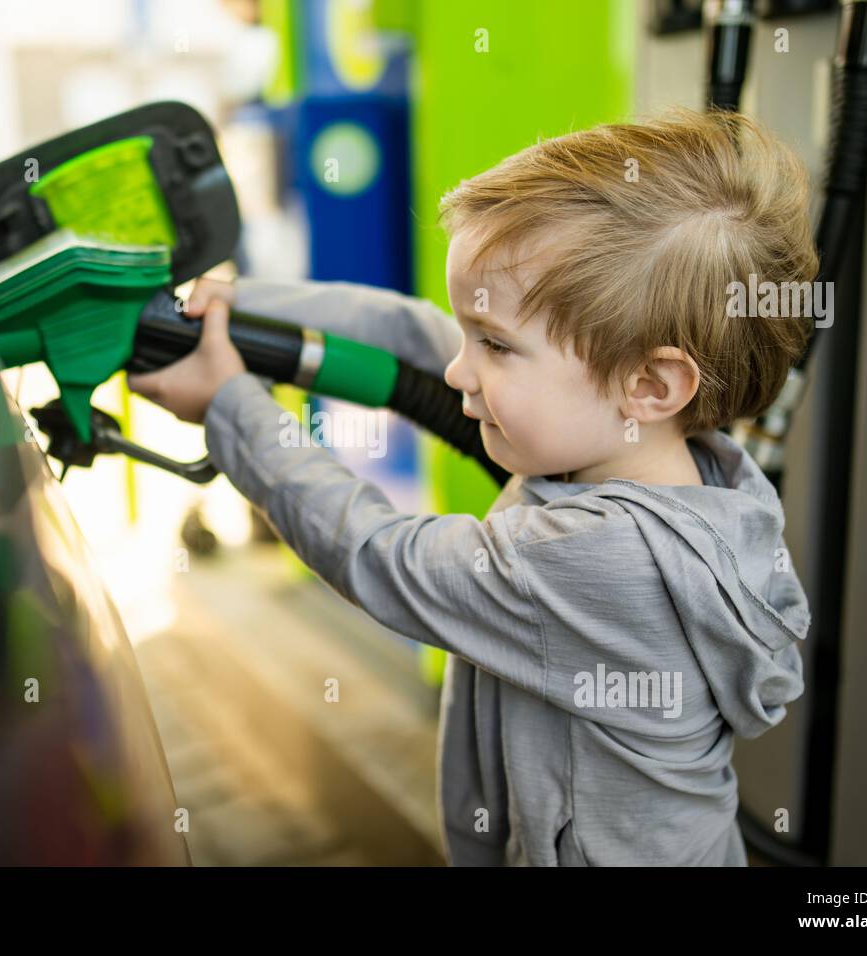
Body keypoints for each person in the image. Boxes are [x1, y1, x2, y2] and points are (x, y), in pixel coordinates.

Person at [126, 108, 815, 866]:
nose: (459, 370)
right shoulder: (680, 470)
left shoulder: (605, 558)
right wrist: (221, 306)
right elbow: (411, 331)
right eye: (469, 333)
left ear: (650, 383)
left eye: (493, 345)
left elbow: (378, 553)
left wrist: (231, 402)